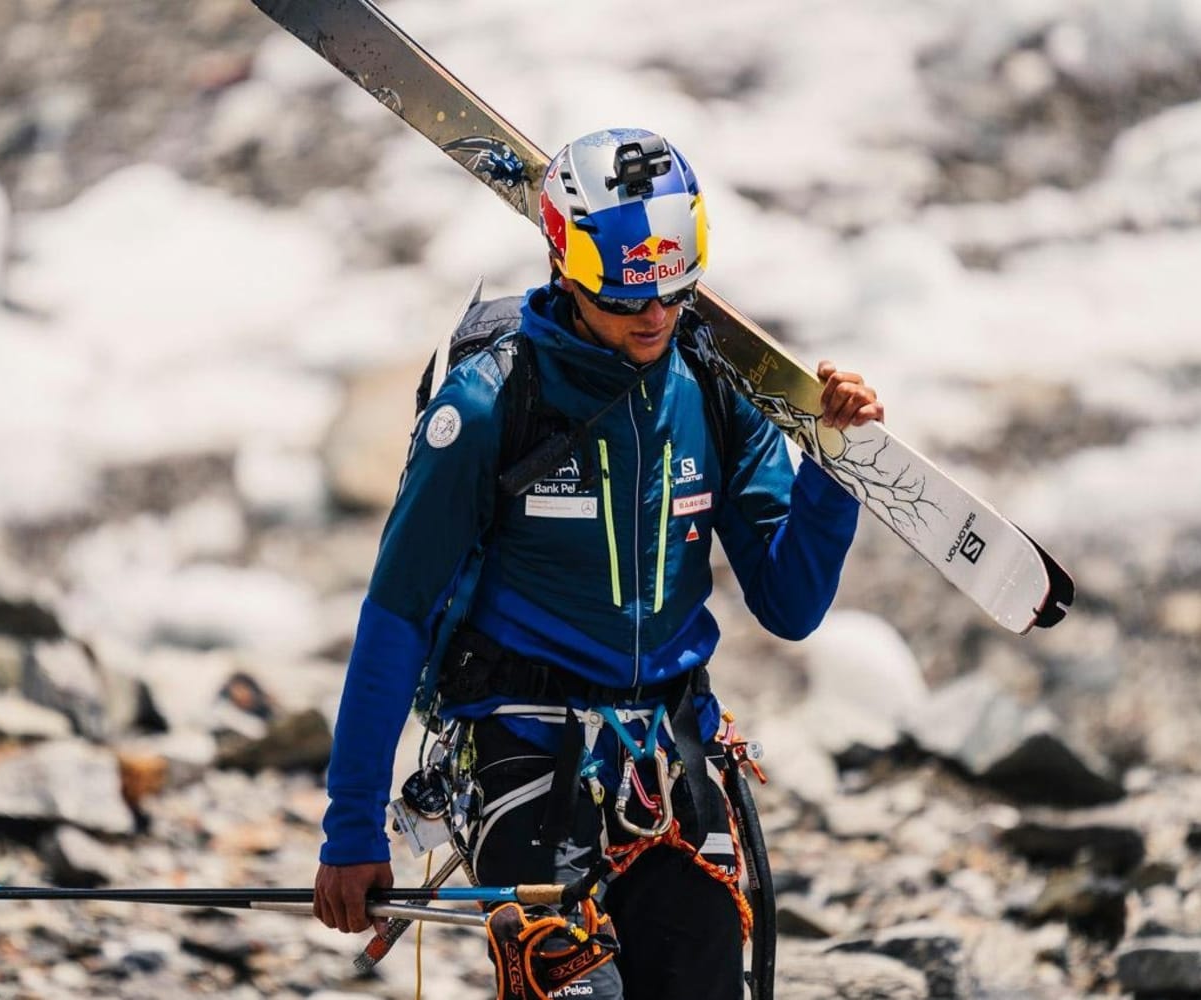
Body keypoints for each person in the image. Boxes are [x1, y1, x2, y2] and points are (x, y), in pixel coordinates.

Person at [313, 127, 883, 1000]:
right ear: (564, 265)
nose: (653, 316)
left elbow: (791, 602)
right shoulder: (488, 406)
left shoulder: (715, 392)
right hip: (523, 755)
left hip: (673, 759)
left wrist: (835, 467)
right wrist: (351, 830)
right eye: (624, 296)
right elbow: (396, 618)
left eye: (672, 290)